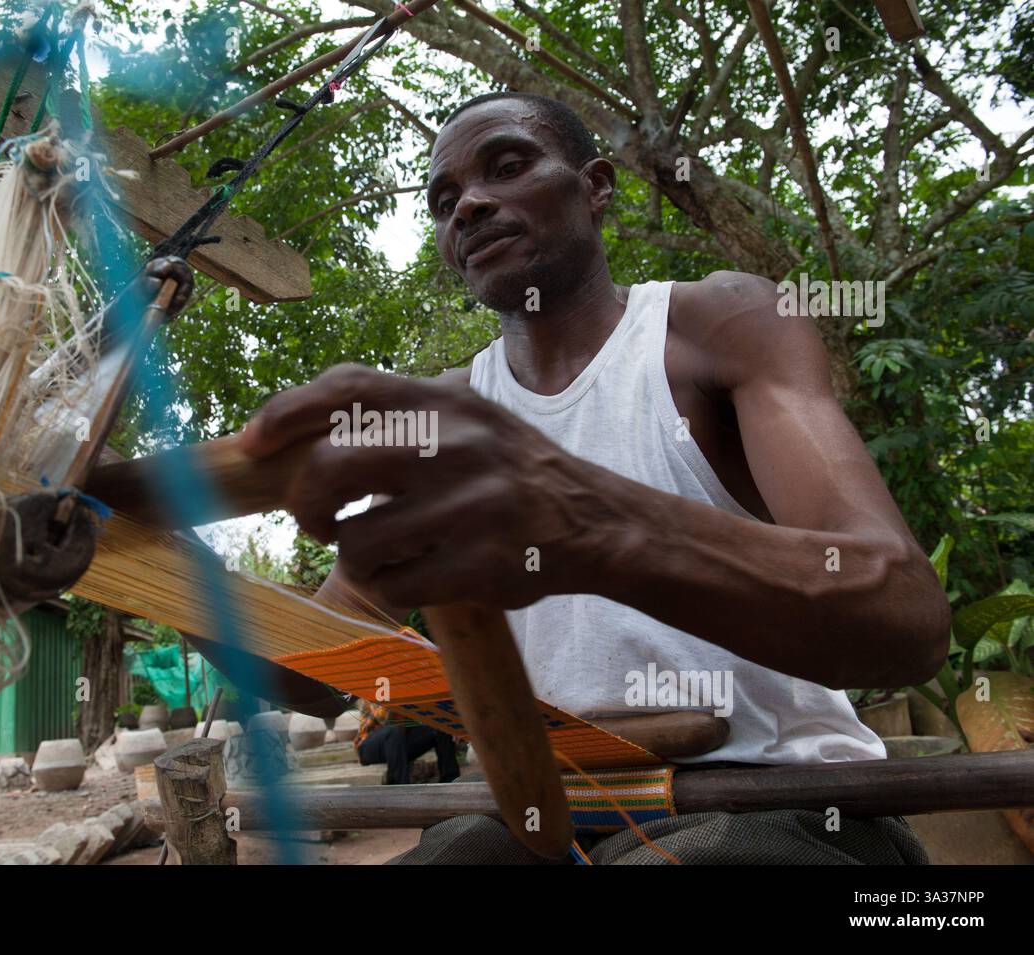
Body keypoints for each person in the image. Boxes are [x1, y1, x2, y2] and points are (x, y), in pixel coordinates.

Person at [225, 92, 951, 864]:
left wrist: (598, 526)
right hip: (550, 807)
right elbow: (325, 674)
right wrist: (168, 577)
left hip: (775, 798)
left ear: (596, 186)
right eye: (444, 202)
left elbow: (905, 613)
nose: (468, 205)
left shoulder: (718, 328)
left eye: (508, 166)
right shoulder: (447, 416)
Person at [353, 700, 460, 785]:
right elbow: (385, 720)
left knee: (440, 725)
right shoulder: (377, 684)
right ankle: (399, 787)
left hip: (400, 742)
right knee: (394, 731)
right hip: (367, 746)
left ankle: (451, 781)